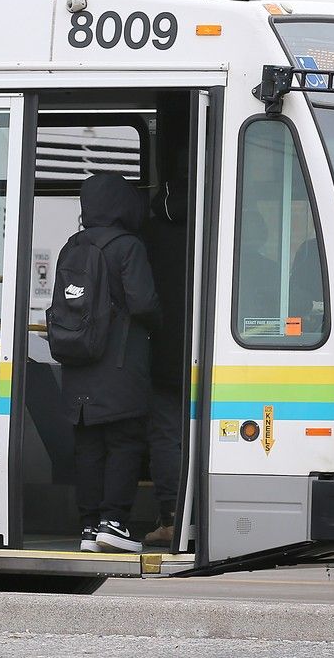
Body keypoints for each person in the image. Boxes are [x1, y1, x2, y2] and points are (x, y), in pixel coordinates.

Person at [59, 174, 160, 554]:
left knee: (88, 447)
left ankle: (88, 526)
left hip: (78, 361)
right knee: (124, 443)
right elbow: (144, 302)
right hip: (119, 363)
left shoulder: (73, 246)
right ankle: (113, 522)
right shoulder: (128, 246)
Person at [141, 178, 188, 546]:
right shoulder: (214, 225)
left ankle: (171, 517)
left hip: (161, 355)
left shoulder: (148, 237)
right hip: (215, 358)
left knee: (166, 437)